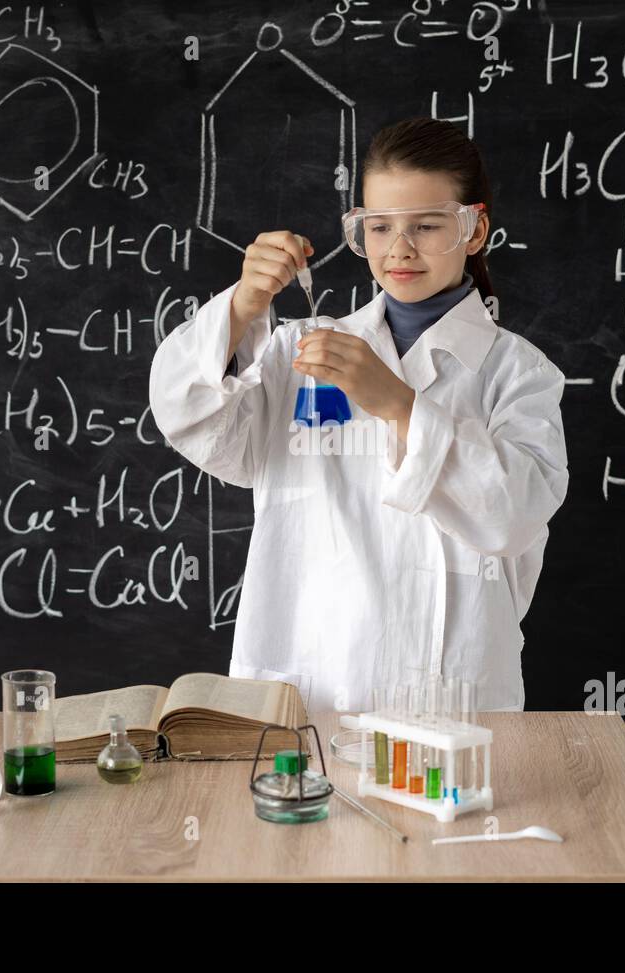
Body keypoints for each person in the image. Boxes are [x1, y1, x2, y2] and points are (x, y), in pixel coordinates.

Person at [149, 117, 569, 712]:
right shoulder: (299, 351)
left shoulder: (516, 372)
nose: (399, 248)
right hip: (309, 682)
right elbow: (184, 414)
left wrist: (398, 405)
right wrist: (244, 305)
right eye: (379, 227)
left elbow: (514, 518)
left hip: (451, 695)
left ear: (473, 231)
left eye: (427, 225)